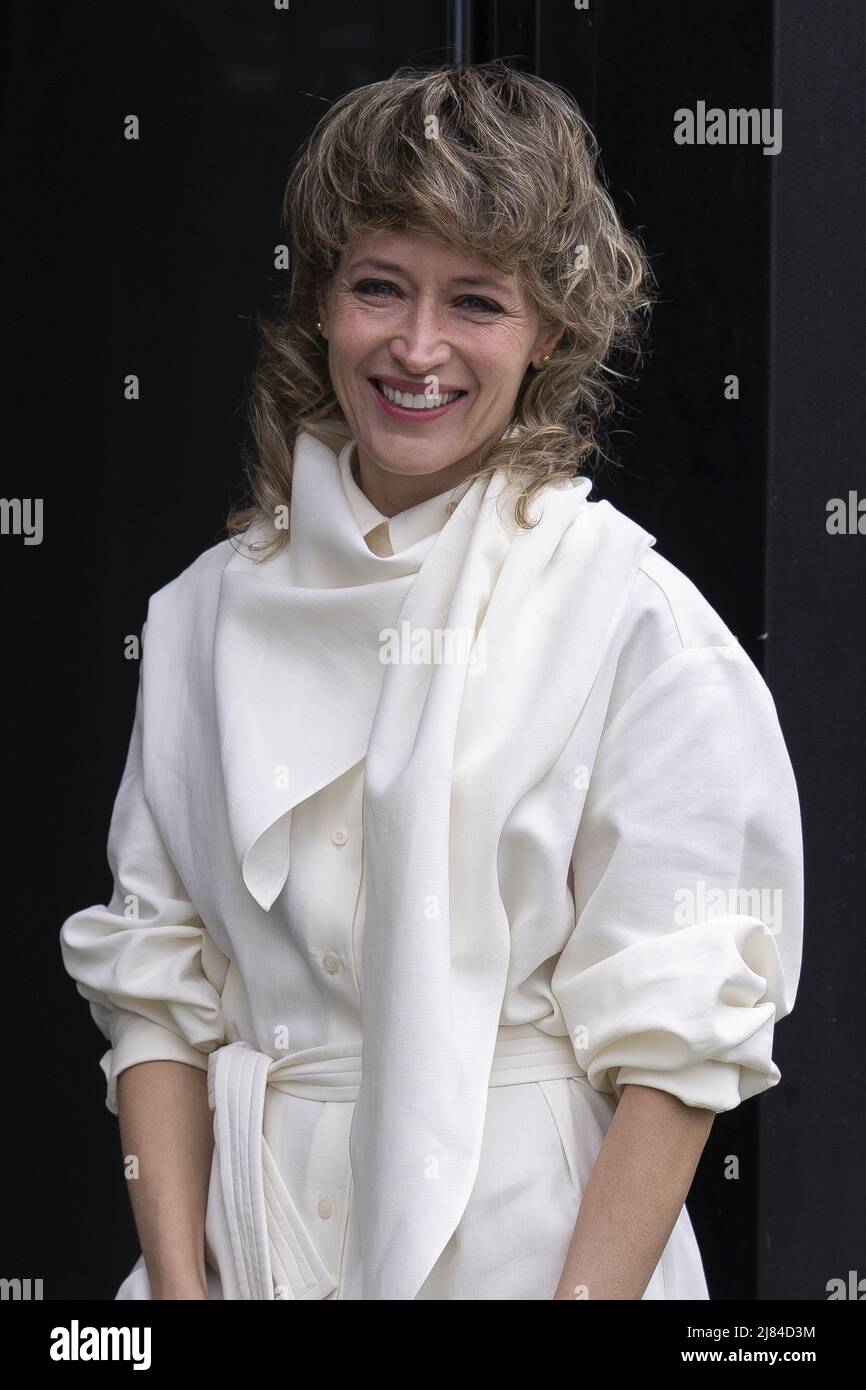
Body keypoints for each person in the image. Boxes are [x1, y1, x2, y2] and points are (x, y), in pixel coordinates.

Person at [59, 60, 803, 1301]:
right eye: (378, 289)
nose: (416, 348)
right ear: (316, 306)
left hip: (534, 1254)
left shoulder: (629, 615)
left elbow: (684, 1039)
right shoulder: (195, 618)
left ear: (549, 332)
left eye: (476, 302)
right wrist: (184, 1294)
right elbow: (155, 991)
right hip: (254, 1253)